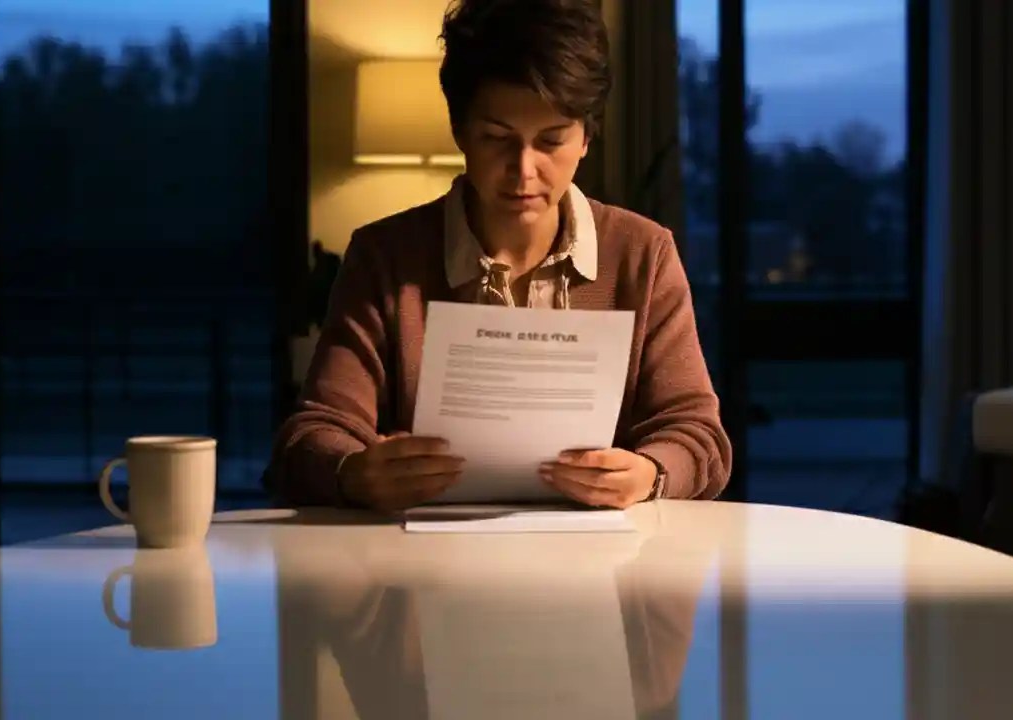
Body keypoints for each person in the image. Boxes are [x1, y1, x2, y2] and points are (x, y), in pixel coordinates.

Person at [266, 0, 731, 511]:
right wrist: (353, 473)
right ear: (460, 131)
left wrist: (650, 472)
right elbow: (311, 435)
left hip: (602, 564)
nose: (524, 170)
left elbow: (697, 434)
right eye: (496, 139)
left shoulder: (642, 253)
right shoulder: (387, 256)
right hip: (425, 563)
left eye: (551, 141)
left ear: (586, 137)